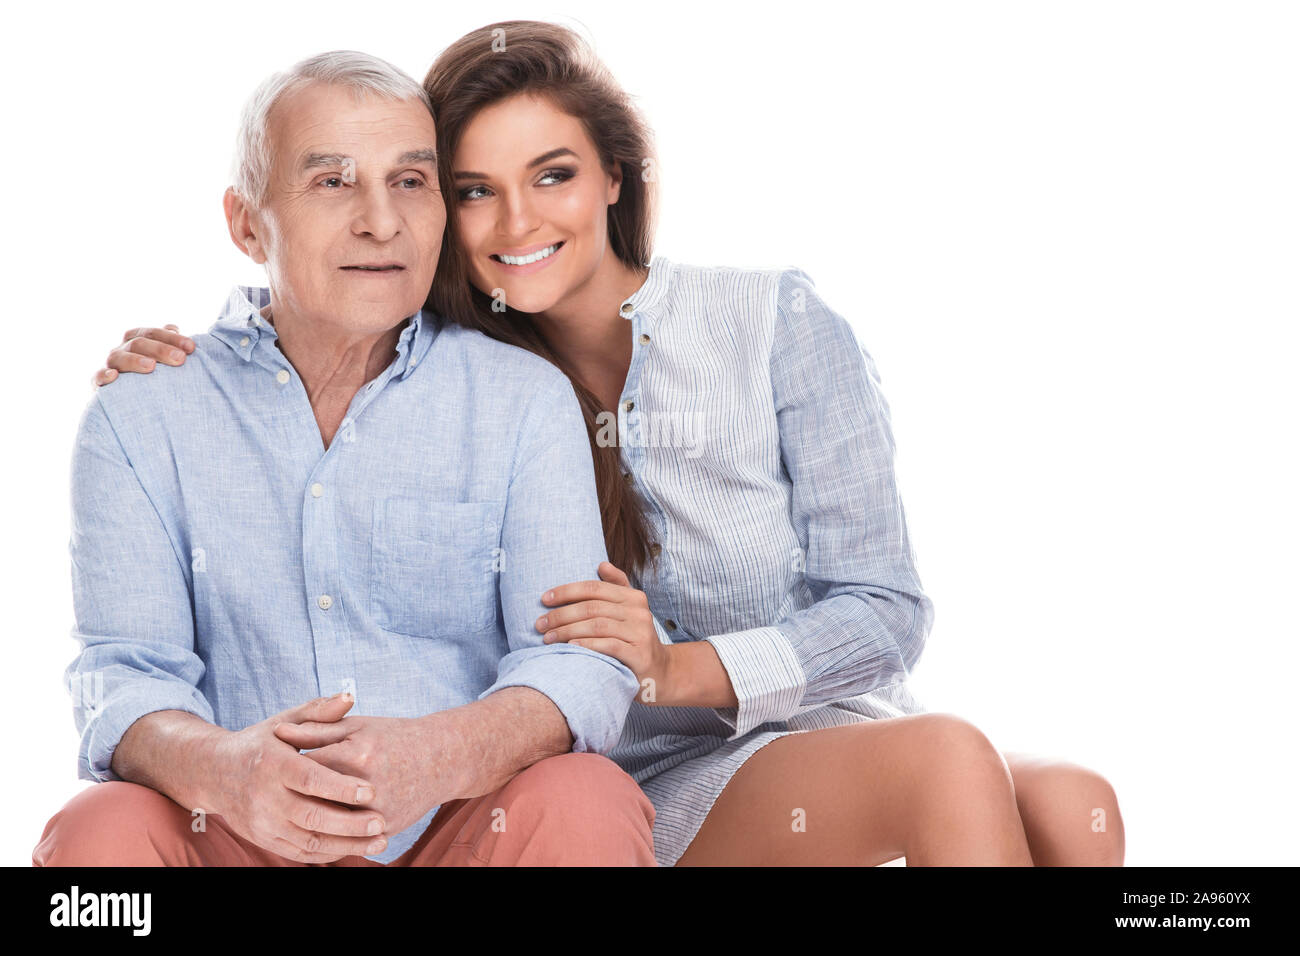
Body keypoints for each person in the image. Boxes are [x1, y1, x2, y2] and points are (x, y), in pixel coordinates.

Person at [94, 21, 1125, 866]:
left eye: (552, 175)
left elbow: (884, 609)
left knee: (1080, 810)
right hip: (623, 767)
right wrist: (199, 359)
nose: (516, 219)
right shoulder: (464, 367)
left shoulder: (770, 325)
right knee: (949, 763)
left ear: (616, 179)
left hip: (800, 723)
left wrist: (681, 668)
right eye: (470, 188)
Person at [36, 50, 657, 868]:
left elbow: (575, 663)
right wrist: (224, 770)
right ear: (246, 222)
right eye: (333, 182)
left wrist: (439, 755)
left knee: (585, 797)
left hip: (457, 830)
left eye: (410, 181)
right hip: (234, 836)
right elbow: (126, 675)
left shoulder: (523, 399)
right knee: (99, 827)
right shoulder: (143, 413)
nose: (381, 221)